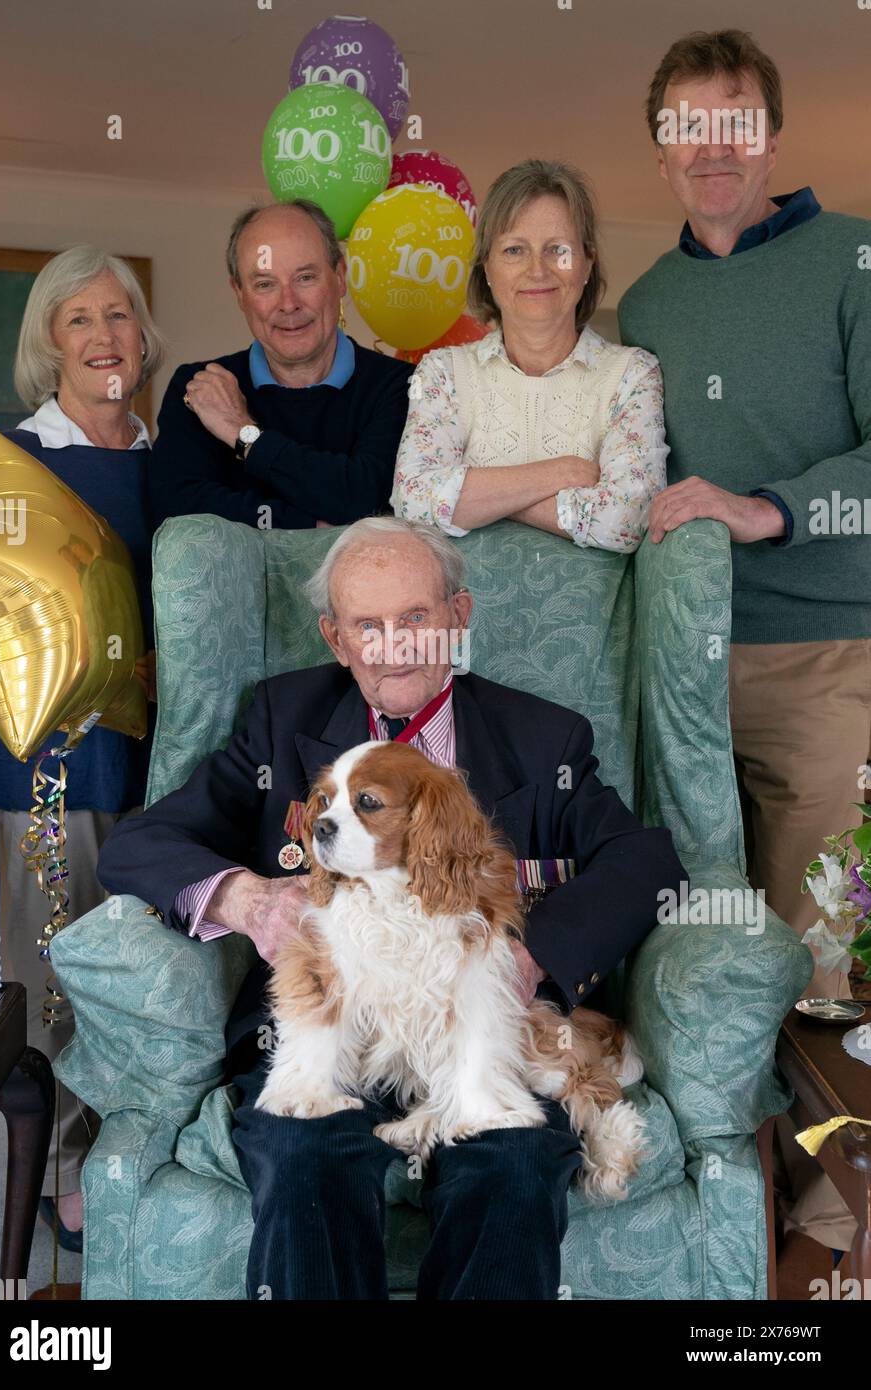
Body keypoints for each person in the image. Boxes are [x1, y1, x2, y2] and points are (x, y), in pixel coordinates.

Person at [96, 515, 687, 1300]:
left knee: (510, 1162)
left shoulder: (542, 738)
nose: (396, 644)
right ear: (336, 641)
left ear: (458, 618)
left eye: (415, 617)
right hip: (332, 1031)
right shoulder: (282, 722)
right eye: (368, 626)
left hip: (478, 1036)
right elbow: (138, 845)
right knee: (305, 1154)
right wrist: (246, 900)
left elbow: (647, 862)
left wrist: (526, 955)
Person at [618, 27, 870, 1259]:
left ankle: (825, 1244)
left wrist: (762, 510)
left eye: (732, 121)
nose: (710, 147)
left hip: (829, 660)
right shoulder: (647, 304)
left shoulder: (851, 258)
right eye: (685, 124)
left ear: (770, 135)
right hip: (683, 682)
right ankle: (740, 1208)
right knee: (707, 960)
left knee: (823, 967)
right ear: (660, 148)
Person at [0, 245, 164, 1250]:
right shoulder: (16, 461)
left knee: (140, 963)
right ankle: (64, 1167)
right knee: (57, 967)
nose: (102, 336)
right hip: (46, 757)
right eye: (79, 318)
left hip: (156, 751)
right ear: (50, 340)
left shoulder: (168, 457)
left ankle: (127, 1149)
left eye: (119, 315)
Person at [391, 159, 668, 552]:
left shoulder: (632, 373)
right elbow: (412, 502)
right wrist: (561, 472)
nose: (537, 270)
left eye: (558, 249)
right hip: (461, 612)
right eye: (514, 250)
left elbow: (629, 519)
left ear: (588, 261)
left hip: (587, 614)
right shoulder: (443, 373)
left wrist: (480, 498)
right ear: (487, 266)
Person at [149, 200, 414, 532]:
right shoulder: (200, 385)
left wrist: (244, 434)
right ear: (239, 293)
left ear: (340, 277)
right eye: (264, 284)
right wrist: (309, 522)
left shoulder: (400, 385)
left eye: (305, 277)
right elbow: (175, 508)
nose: (288, 304)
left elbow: (365, 497)